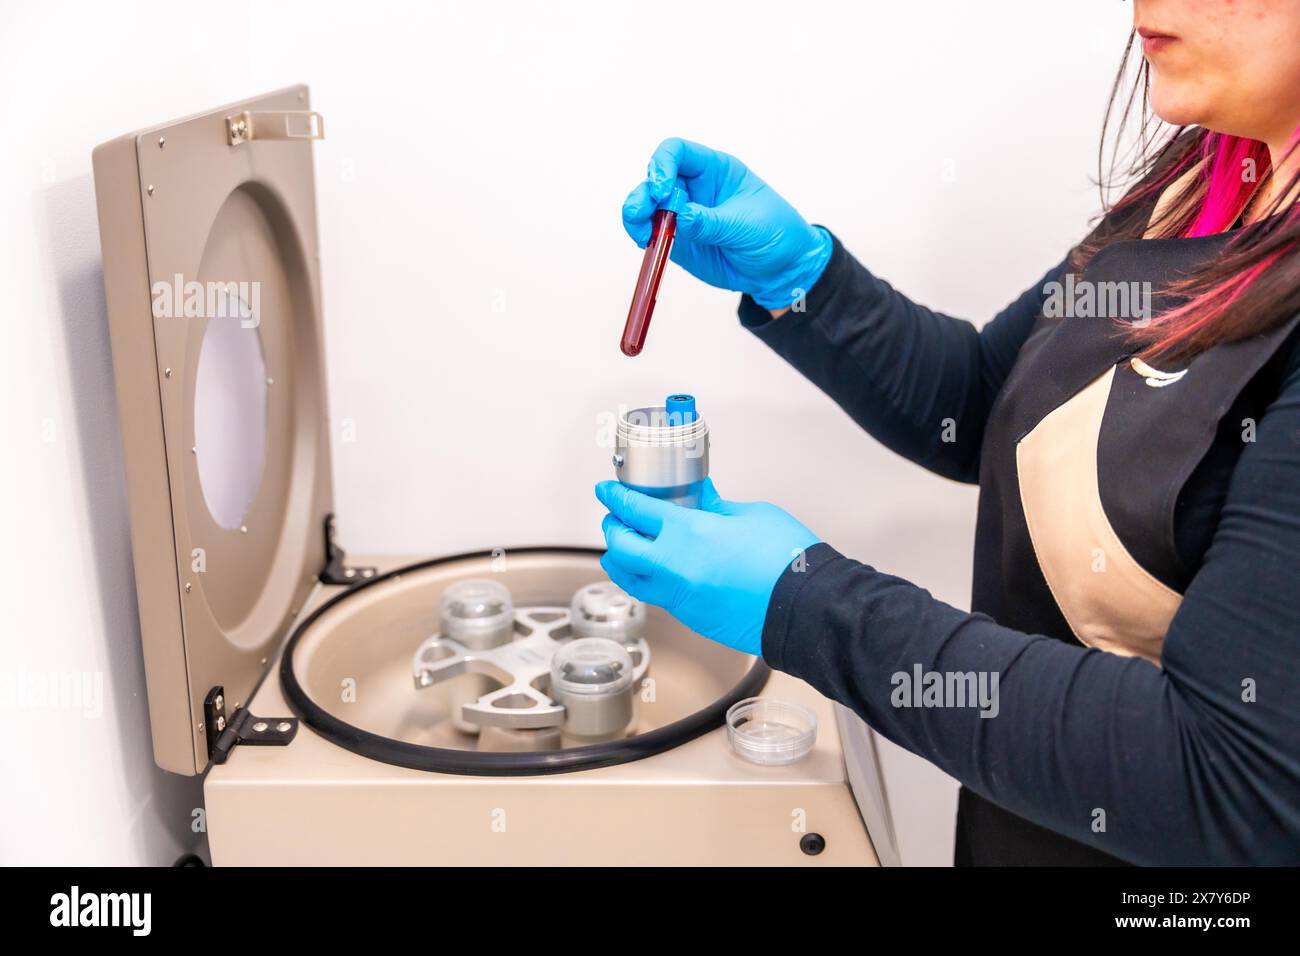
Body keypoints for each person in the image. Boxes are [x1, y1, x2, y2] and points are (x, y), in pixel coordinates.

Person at [595, 0, 1300, 865]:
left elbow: (1226, 783)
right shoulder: (1210, 178)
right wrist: (801, 277)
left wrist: (810, 605)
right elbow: (989, 406)